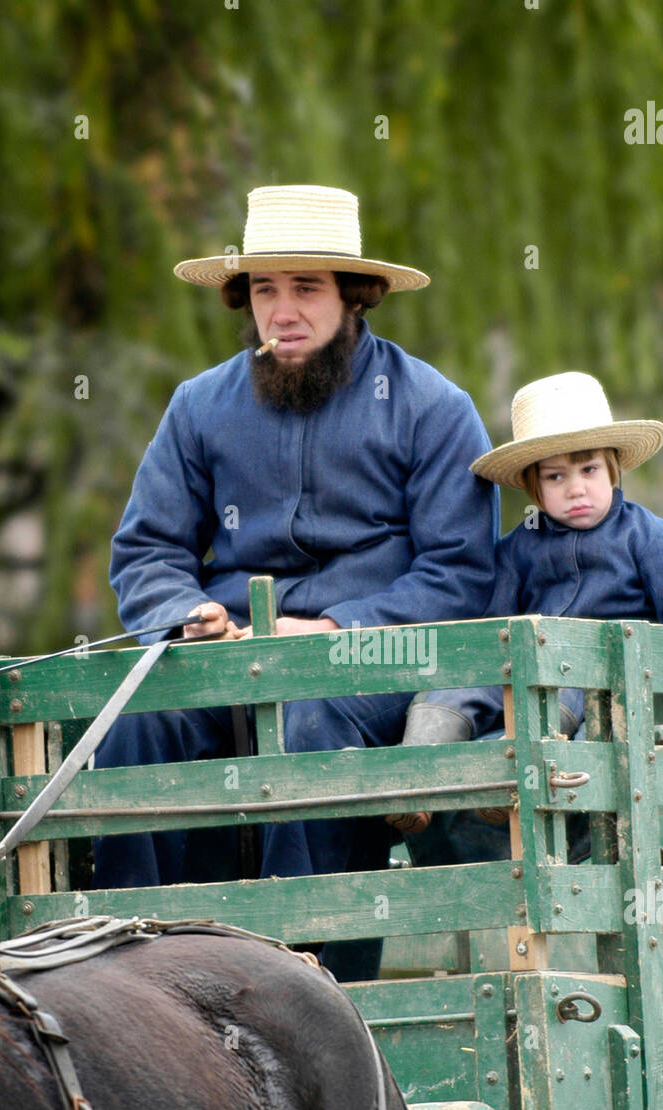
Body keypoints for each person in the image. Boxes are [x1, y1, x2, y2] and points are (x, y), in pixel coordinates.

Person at [93, 184, 498, 980]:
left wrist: (335, 629)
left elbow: (459, 574)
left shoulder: (432, 407)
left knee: (308, 717)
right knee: (135, 724)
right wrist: (187, 614)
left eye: (305, 288)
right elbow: (146, 550)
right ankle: (125, 976)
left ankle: (307, 982)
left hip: (371, 665)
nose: (282, 312)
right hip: (225, 657)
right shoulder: (198, 406)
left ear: (354, 295)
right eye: (264, 289)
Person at [392, 371, 663, 849]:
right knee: (458, 684)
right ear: (534, 489)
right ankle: (415, 780)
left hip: (602, 681)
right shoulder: (517, 549)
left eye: (588, 470)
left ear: (614, 469)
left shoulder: (653, 536)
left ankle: (506, 780)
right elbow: (493, 625)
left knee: (565, 689)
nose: (575, 489)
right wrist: (478, 664)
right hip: (524, 670)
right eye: (556, 476)